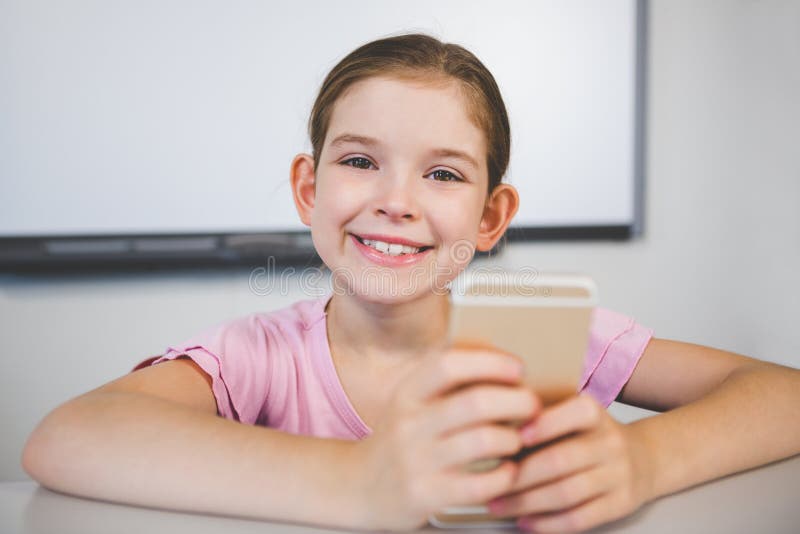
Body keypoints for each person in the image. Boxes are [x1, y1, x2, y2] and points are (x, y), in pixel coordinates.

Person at [22, 33, 800, 533]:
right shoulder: (260, 356)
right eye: (361, 161)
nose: (396, 201)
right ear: (309, 190)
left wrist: (645, 461)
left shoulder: (549, 341)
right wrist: (360, 483)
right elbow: (69, 437)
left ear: (491, 217)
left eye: (443, 173)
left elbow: (784, 395)